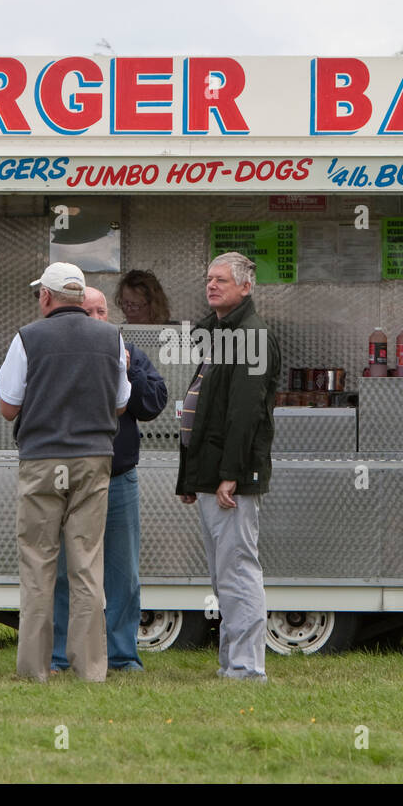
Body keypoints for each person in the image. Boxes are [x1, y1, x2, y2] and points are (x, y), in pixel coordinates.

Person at [0, 263, 131, 682]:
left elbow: (8, 407)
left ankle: (35, 668)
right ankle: (91, 668)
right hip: (93, 460)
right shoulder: (112, 337)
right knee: (87, 566)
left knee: (38, 563)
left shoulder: (27, 338)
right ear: (80, 296)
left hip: (41, 461)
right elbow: (122, 403)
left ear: (47, 297)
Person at [50, 287, 168, 672]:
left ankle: (121, 655)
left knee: (123, 575)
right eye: (90, 312)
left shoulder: (128, 351)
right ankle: (61, 655)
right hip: (71, 480)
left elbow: (152, 404)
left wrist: (129, 367)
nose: (99, 319)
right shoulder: (61, 357)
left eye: (104, 311)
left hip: (119, 478)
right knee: (67, 572)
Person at [176, 252, 281, 680]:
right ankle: (232, 664)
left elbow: (244, 413)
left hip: (229, 477)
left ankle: (246, 668)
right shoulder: (223, 333)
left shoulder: (253, 336)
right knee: (225, 577)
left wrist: (231, 475)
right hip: (210, 473)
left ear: (246, 286)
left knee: (237, 572)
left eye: (221, 280)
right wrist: (192, 477)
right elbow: (205, 408)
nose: (211, 285)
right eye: (208, 279)